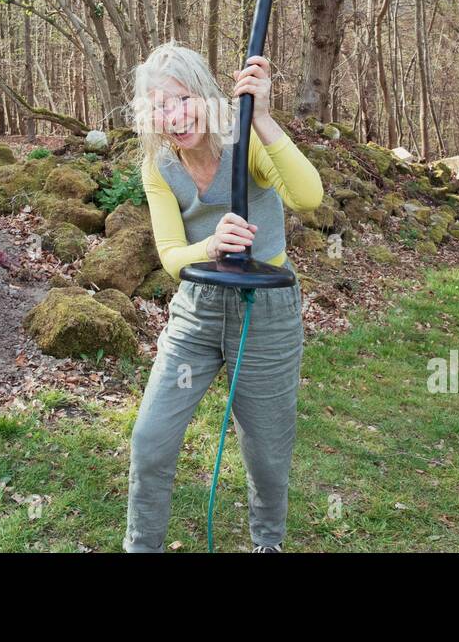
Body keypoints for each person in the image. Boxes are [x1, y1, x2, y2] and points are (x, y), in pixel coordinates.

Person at [123, 40, 324, 552]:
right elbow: (171, 255)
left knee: (266, 448)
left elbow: (309, 198)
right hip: (197, 311)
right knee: (151, 439)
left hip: (266, 311)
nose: (173, 116)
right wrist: (209, 245)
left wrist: (263, 117)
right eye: (158, 107)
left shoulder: (245, 142)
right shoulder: (159, 166)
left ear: (208, 97)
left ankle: (267, 542)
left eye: (181, 99)